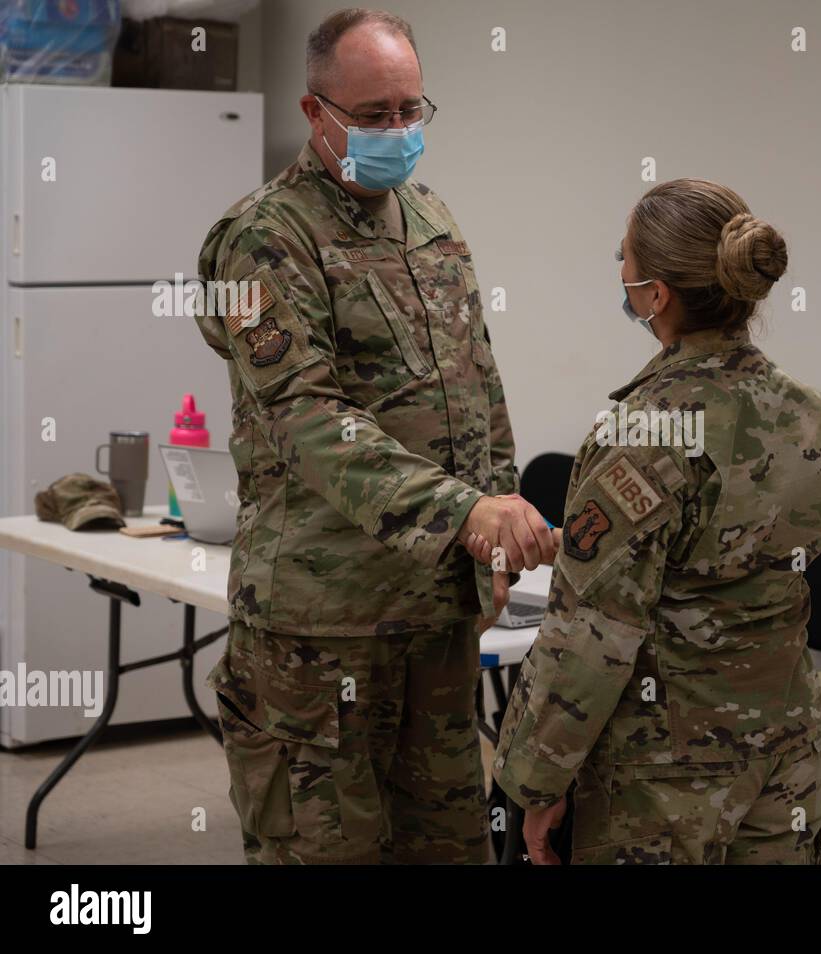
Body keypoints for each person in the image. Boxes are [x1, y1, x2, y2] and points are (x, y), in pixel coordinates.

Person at [192, 8, 554, 865]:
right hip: (321, 630)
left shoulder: (429, 219)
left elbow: (477, 390)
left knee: (449, 845)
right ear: (317, 113)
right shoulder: (262, 240)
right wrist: (466, 514)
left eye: (410, 111)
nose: (398, 132)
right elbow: (308, 419)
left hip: (434, 617)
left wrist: (490, 544)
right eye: (375, 115)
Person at [483, 179, 821, 864]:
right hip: (785, 746)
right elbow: (746, 557)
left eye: (624, 257)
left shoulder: (645, 428)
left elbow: (596, 629)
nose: (620, 273)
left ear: (658, 294)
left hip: (667, 772)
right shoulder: (807, 409)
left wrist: (535, 782)